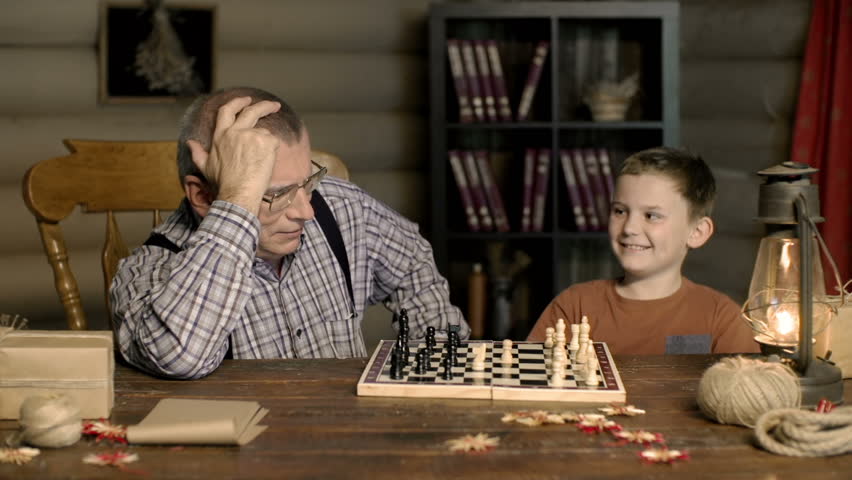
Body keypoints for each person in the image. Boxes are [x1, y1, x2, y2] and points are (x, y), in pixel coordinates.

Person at [110, 86, 469, 379]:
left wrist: (435, 366)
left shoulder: (342, 209)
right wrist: (238, 199)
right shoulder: (149, 274)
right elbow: (180, 357)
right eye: (277, 193)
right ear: (204, 197)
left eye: (307, 182)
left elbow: (414, 264)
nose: (305, 211)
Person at [527, 147, 758, 354]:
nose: (629, 228)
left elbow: (744, 398)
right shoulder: (574, 306)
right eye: (620, 211)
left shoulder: (721, 318)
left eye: (652, 216)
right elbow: (534, 388)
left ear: (697, 232)